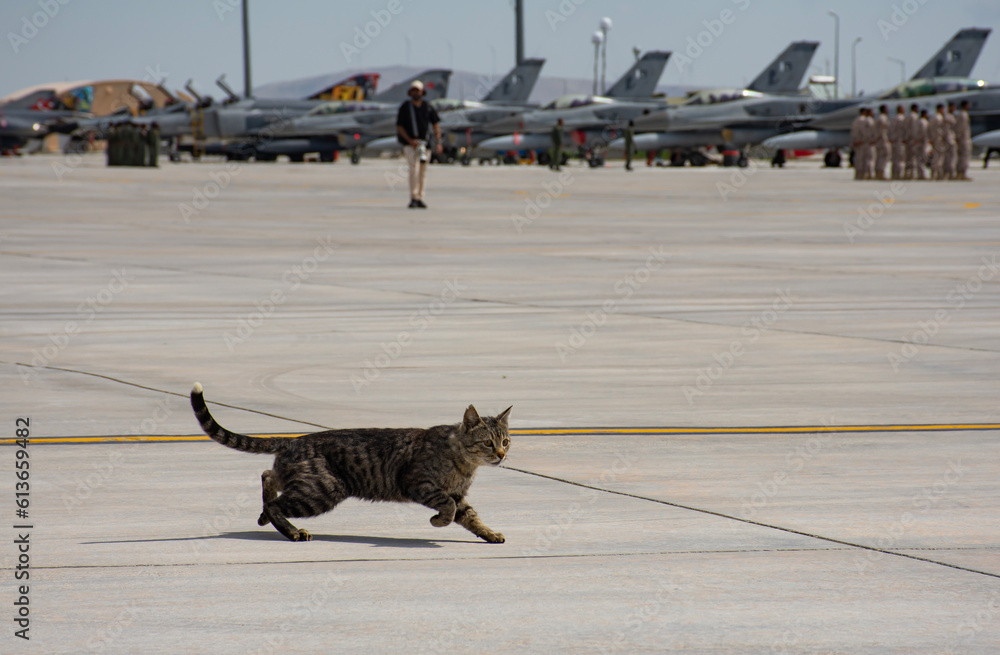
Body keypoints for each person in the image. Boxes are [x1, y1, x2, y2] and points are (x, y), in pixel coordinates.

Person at [396, 80, 442, 208]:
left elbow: (436, 125)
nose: (416, 93)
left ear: (422, 92)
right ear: (411, 92)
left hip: (425, 145)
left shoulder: (428, 107)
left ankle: (421, 197)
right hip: (410, 144)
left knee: (423, 172)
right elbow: (400, 126)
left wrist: (438, 142)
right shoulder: (405, 107)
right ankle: (413, 197)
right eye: (414, 90)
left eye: (418, 90)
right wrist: (410, 141)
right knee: (413, 170)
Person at [930, 104, 948, 180]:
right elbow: (941, 130)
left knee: (935, 157)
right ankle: (939, 174)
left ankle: (933, 174)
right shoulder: (939, 118)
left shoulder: (933, 117)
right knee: (939, 157)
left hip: (934, 139)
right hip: (939, 139)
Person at [955, 100, 972, 180]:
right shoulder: (963, 115)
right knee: (964, 156)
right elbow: (960, 128)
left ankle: (960, 174)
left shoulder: (961, 114)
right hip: (964, 139)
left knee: (961, 156)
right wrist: (958, 137)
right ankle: (962, 174)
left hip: (963, 139)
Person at [889, 105, 906, 180]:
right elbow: (904, 130)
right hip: (900, 141)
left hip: (894, 141)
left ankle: (894, 174)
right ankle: (899, 174)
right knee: (900, 158)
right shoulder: (902, 118)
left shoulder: (893, 118)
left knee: (894, 159)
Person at [904, 104, 920, 180]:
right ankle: (911, 174)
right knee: (913, 158)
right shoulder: (914, 117)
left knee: (908, 157)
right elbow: (914, 129)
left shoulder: (907, 116)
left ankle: (906, 173)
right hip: (912, 140)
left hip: (908, 139)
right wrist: (915, 138)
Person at [874, 105, 890, 180]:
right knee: (883, 157)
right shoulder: (883, 118)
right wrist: (885, 140)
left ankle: (878, 173)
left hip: (879, 141)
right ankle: (881, 173)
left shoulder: (878, 118)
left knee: (879, 157)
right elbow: (882, 131)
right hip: (882, 141)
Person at [850, 108, 866, 180]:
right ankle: (861, 175)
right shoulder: (863, 120)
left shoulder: (856, 120)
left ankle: (857, 175)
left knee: (858, 159)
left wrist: (855, 140)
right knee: (862, 159)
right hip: (862, 142)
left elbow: (853, 132)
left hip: (857, 142)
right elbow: (863, 132)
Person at [944, 102, 958, 180]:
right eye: (953, 107)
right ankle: (950, 174)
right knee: (950, 157)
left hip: (950, 139)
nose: (954, 109)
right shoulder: (947, 117)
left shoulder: (950, 116)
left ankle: (950, 173)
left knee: (951, 157)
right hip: (949, 139)